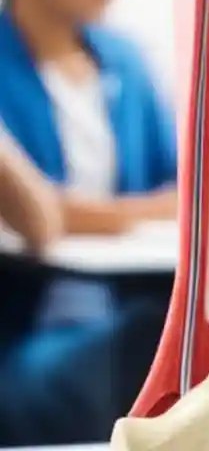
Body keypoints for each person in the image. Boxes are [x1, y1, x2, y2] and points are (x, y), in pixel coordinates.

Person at [0, 0, 177, 236]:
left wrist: (84, 215)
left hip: (132, 286)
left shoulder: (127, 61)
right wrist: (140, 213)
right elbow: (23, 208)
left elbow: (188, 190)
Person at [0, 124, 162, 445]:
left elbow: (183, 193)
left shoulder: (127, 76)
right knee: (152, 331)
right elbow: (42, 220)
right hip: (24, 339)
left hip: (103, 310)